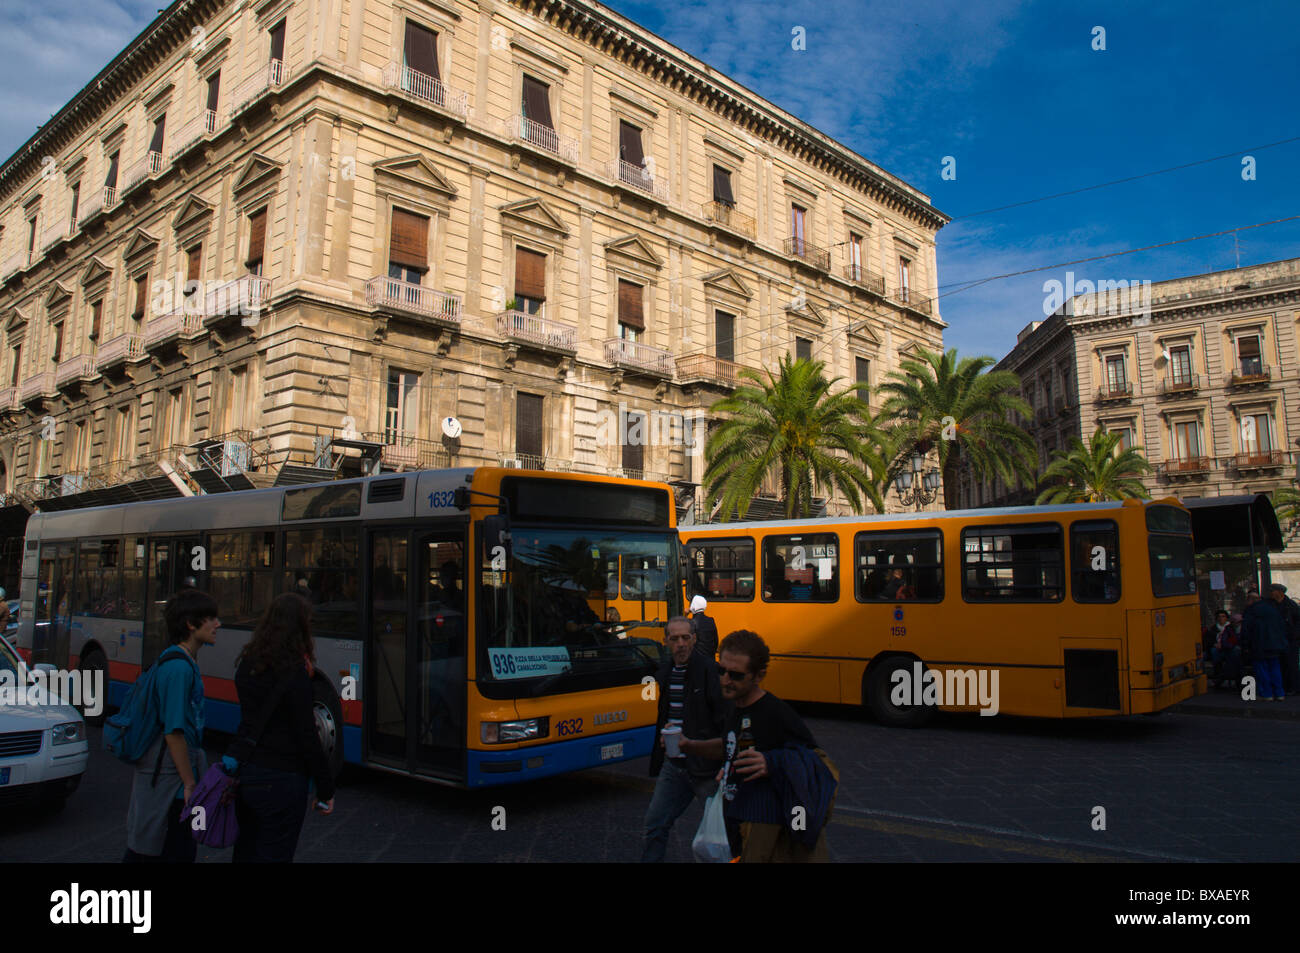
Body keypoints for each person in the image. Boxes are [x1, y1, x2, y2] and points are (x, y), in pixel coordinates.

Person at [709, 629, 837, 862]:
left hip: (769, 839)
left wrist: (773, 762)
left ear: (759, 676)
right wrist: (727, 767)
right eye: (721, 670)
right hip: (738, 827)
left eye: (736, 675)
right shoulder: (734, 706)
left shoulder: (776, 713)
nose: (725, 679)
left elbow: (819, 765)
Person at [231, 592, 336, 862]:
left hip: (248, 774)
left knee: (246, 851)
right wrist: (325, 787)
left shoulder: (247, 663)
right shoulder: (294, 672)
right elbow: (306, 734)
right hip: (283, 778)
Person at [123, 589, 219, 863]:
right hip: (169, 779)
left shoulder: (176, 660)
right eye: (211, 618)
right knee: (166, 850)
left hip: (163, 774)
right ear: (191, 623)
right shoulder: (179, 669)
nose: (218, 625)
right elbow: (173, 731)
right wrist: (190, 783)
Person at [640, 616, 728, 862]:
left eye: (686, 638)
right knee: (654, 825)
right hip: (674, 765)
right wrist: (665, 735)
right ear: (666, 641)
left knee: (721, 833)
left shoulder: (711, 671)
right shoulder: (665, 672)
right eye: (675, 638)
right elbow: (667, 713)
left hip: (706, 768)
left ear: (694, 640)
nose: (681, 643)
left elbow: (723, 719)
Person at [1240, 589, 1288, 701]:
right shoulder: (1272, 609)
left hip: (1259, 645)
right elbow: (1281, 626)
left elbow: (1246, 630)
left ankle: (1267, 694)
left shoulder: (1251, 611)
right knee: (1275, 668)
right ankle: (1279, 693)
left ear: (1250, 600)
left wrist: (1245, 645)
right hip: (1274, 644)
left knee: (1262, 670)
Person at [1268, 584, 1300, 695]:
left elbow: (1297, 622)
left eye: (1273, 591)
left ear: (1280, 592)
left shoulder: (1291, 605)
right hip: (1276, 639)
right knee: (1280, 663)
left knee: (1291, 664)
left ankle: (1293, 687)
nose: (1271, 593)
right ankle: (1283, 686)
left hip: (1289, 639)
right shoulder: (1271, 605)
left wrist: (1294, 635)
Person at [1204, 610, 1241, 688]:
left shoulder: (1230, 628)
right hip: (1219, 649)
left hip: (1229, 648)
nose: (1221, 618)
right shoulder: (1213, 629)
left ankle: (1222, 676)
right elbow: (1208, 640)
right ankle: (1218, 674)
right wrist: (1214, 644)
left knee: (1234, 653)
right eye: (1219, 617)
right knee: (1214, 652)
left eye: (1223, 616)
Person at [689, 595, 719, 660]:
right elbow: (716, 641)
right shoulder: (711, 620)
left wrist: (685, 614)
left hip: (697, 661)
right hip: (710, 659)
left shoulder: (692, 623)